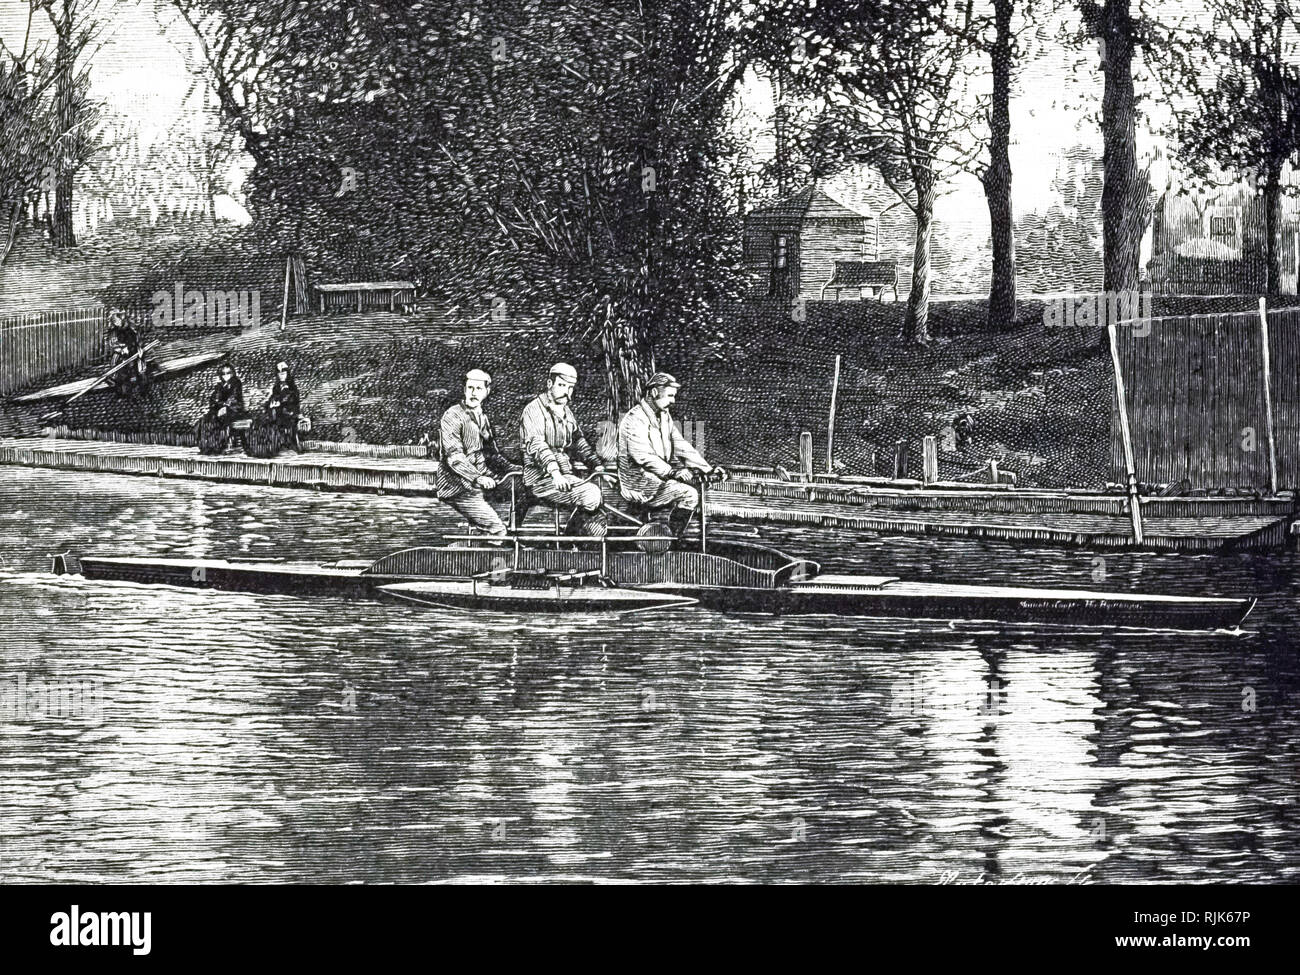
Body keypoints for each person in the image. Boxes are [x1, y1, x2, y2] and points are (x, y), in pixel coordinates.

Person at [617, 371, 727, 538]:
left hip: (656, 480)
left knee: (690, 491)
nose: (673, 401)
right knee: (689, 495)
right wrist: (673, 472)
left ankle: (669, 537)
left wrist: (707, 470)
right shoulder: (634, 419)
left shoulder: (664, 416)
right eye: (669, 395)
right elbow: (644, 456)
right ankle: (671, 540)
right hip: (639, 484)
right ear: (654, 392)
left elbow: (680, 445)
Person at [518, 362, 607, 537]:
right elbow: (538, 446)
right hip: (541, 480)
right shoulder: (533, 410)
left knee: (602, 493)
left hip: (565, 477)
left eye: (570, 387)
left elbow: (578, 440)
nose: (566, 391)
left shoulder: (566, 411)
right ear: (549, 384)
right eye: (561, 385)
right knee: (591, 495)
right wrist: (555, 473)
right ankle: (570, 540)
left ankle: (579, 540)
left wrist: (596, 464)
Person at [435, 369, 517, 536]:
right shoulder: (452, 416)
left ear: (487, 391)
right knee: (497, 529)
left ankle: (513, 537)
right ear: (464, 389)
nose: (473, 393)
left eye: (479, 389)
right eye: (470, 388)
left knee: (522, 490)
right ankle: (502, 547)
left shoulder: (482, 418)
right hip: (459, 486)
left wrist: (514, 469)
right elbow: (454, 457)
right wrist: (477, 477)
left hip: (483, 480)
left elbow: (492, 454)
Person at [197, 364, 245, 455]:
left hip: (234, 410)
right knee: (206, 420)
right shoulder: (219, 386)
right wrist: (220, 405)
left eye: (228, 373)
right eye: (223, 373)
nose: (225, 375)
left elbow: (233, 398)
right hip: (221, 409)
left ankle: (218, 446)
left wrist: (225, 406)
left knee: (222, 419)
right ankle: (207, 446)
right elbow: (214, 399)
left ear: (232, 373)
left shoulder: (236, 383)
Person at [264, 361, 301, 450]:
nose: (281, 376)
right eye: (279, 374)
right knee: (271, 412)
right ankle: (277, 441)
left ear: (287, 374)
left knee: (281, 415)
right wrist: (271, 402)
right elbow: (273, 397)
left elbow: (293, 399)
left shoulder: (292, 386)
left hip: (290, 410)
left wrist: (281, 402)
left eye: (283, 373)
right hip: (279, 411)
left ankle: (291, 443)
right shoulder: (276, 387)